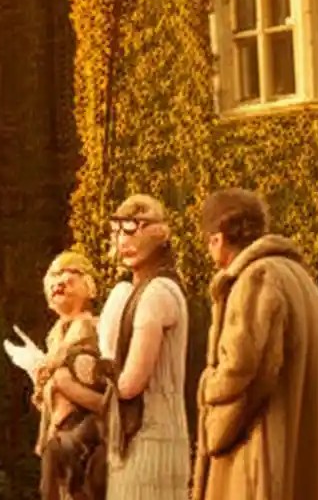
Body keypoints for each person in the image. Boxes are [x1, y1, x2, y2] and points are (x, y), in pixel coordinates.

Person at [191, 189, 318, 500]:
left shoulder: (256, 279)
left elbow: (239, 371)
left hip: (257, 456)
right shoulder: (302, 279)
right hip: (300, 451)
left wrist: (208, 393)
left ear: (218, 238)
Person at [96, 194, 190, 500]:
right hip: (140, 440)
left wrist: (98, 367)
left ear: (159, 234)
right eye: (119, 231)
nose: (124, 239)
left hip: (150, 438)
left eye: (134, 228)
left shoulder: (156, 293)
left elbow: (129, 385)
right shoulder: (140, 291)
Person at [9, 250, 114, 500]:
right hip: (59, 438)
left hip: (86, 439)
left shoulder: (95, 328)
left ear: (88, 286)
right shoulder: (55, 335)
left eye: (69, 277)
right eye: (54, 279)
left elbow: (103, 396)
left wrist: (60, 382)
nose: (59, 283)